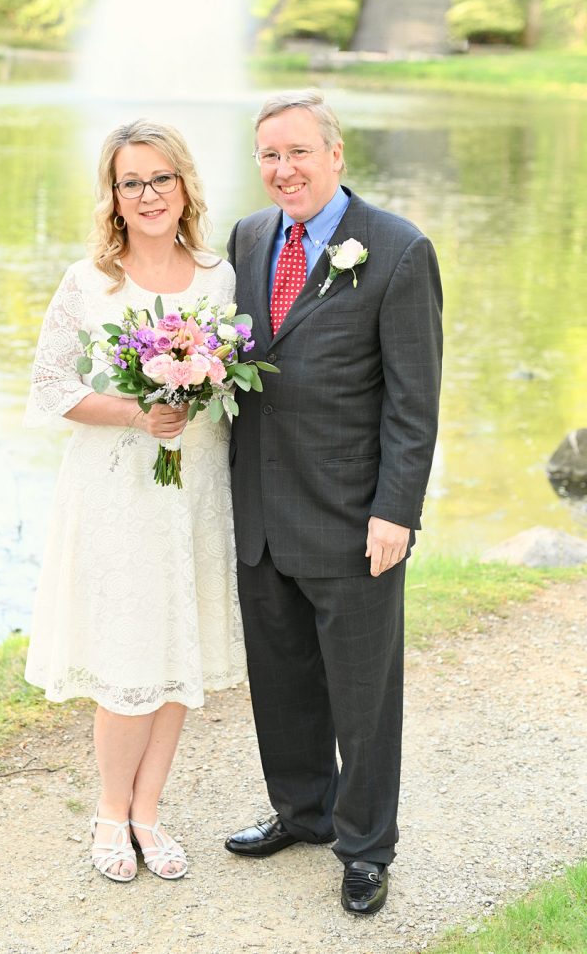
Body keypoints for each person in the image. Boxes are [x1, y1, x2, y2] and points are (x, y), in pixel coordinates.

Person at [224, 90, 442, 915]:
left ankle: (365, 847)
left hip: (355, 518)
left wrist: (397, 510)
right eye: (270, 156)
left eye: (299, 153)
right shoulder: (248, 237)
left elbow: (413, 404)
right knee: (279, 678)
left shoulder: (396, 251)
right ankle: (302, 811)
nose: (285, 171)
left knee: (363, 693)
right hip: (263, 513)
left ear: (336, 154)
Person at [24, 120, 245, 884]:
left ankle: (150, 812)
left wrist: (198, 393)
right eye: (131, 182)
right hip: (119, 492)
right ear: (113, 197)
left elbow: (232, 382)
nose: (148, 194)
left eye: (161, 178)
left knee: (178, 647)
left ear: (184, 185)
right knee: (128, 653)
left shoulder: (220, 278)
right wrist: (135, 411)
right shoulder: (93, 281)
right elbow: (51, 387)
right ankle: (110, 813)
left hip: (196, 489)